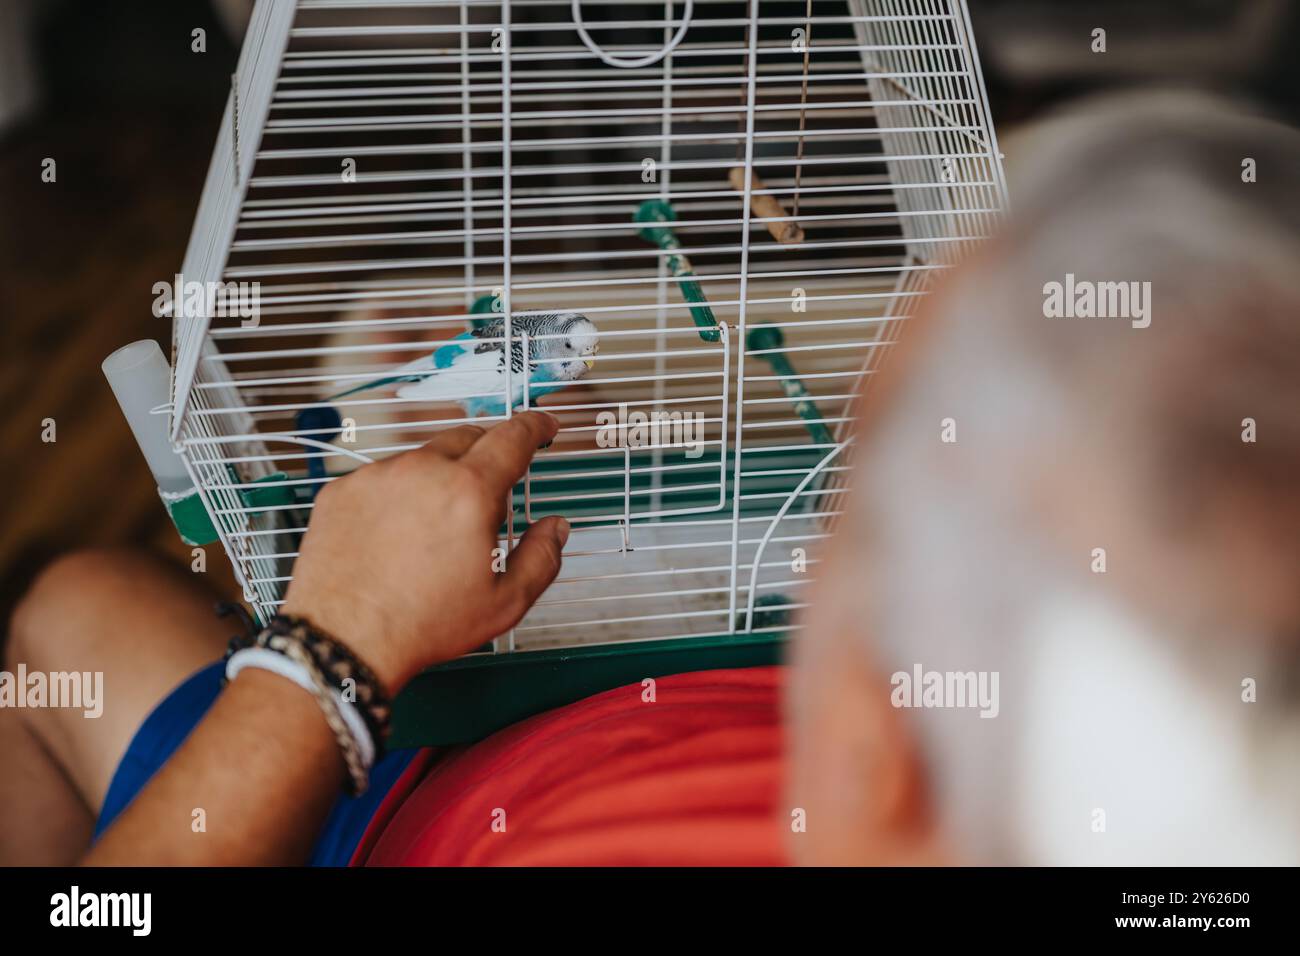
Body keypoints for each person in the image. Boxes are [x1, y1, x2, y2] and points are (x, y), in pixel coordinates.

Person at [3, 90, 1298, 866]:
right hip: (555, 733)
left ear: (882, 738)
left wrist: (332, 655)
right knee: (86, 596)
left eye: (870, 490)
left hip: (385, 787)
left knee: (64, 618)